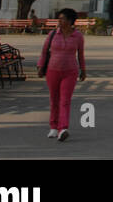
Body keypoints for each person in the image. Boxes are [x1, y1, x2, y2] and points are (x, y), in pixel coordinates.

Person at [37, 8, 87, 142]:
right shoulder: (53, 34)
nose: (60, 21)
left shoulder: (78, 37)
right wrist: (41, 66)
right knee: (54, 99)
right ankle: (53, 126)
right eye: (59, 18)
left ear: (70, 21)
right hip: (53, 70)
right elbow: (44, 52)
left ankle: (63, 128)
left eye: (62, 19)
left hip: (70, 71)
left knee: (65, 100)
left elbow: (80, 55)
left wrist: (83, 69)